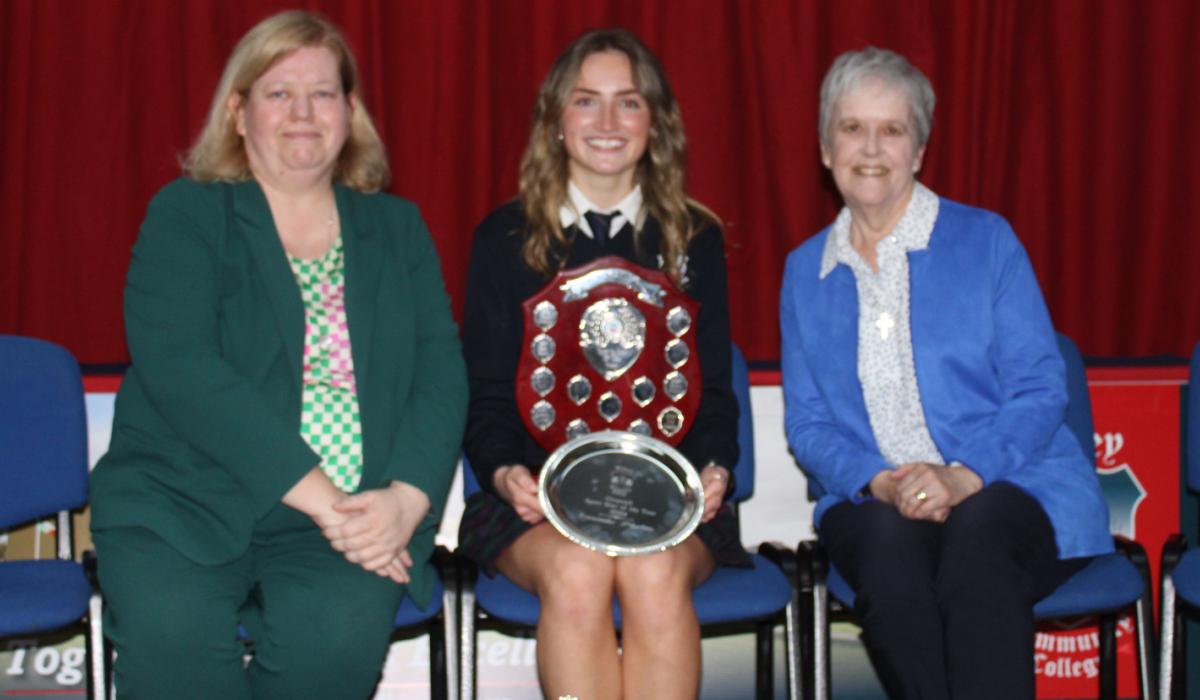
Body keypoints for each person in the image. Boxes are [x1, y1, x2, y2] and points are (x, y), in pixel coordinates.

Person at [89, 11, 466, 699]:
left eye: (323, 93)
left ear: (349, 113)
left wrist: (407, 503)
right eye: (277, 92)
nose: (303, 112)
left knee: (332, 651)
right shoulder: (186, 215)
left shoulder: (398, 229)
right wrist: (325, 499)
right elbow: (184, 371)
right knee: (174, 650)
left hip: (351, 522)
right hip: (181, 499)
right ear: (238, 113)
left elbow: (440, 371)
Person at [779, 47, 1112, 699]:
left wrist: (961, 476)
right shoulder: (803, 270)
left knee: (976, 542)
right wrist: (881, 482)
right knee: (888, 555)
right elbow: (809, 423)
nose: (870, 148)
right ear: (826, 147)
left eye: (892, 129)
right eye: (852, 128)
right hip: (873, 497)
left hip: (1008, 482)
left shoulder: (986, 241)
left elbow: (1041, 390)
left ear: (919, 150)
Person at [458, 28, 748, 700]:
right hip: (529, 496)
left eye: (629, 102)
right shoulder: (503, 238)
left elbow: (714, 399)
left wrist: (714, 471)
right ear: (558, 121)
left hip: (671, 501)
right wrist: (504, 473)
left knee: (650, 572)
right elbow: (488, 396)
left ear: (657, 122)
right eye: (587, 102)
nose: (609, 123)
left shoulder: (694, 239)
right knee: (582, 570)